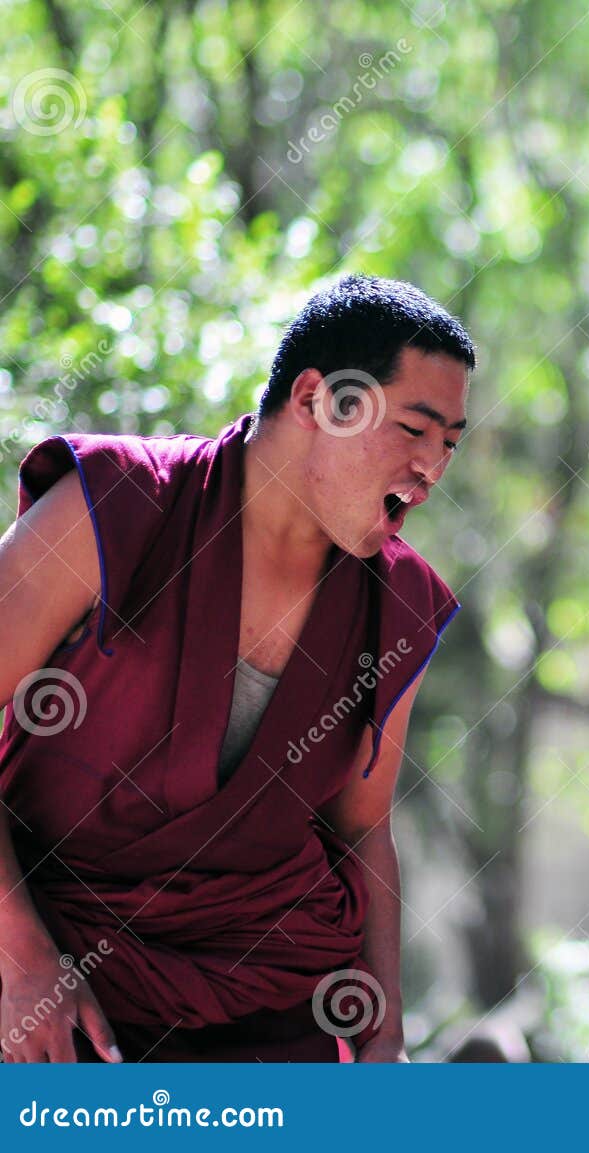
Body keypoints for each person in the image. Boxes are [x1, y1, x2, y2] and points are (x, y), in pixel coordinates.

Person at [0, 274, 471, 1062]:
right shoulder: (118, 507)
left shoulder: (402, 602)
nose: (433, 468)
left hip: (272, 1003)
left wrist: (384, 1024)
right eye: (416, 430)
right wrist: (18, 954)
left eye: (450, 444)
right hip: (52, 967)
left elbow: (360, 824)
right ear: (323, 397)